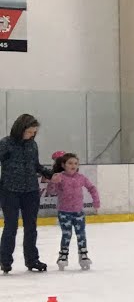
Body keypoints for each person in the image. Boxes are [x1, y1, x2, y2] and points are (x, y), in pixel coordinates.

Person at [2, 114, 51, 274]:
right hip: (10, 191)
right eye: (29, 131)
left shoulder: (32, 145)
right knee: (11, 226)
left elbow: (36, 165)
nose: (32, 135)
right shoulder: (5, 144)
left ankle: (32, 260)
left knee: (31, 226)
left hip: (31, 191)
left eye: (34, 132)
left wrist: (49, 174)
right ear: (20, 129)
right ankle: (5, 260)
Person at [45, 151, 98, 271]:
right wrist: (53, 182)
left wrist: (96, 201)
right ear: (63, 165)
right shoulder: (60, 177)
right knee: (67, 234)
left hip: (78, 212)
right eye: (70, 163)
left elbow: (92, 188)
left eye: (75, 163)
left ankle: (83, 254)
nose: (73, 165)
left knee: (81, 234)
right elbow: (51, 191)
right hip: (64, 212)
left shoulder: (81, 178)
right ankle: (63, 256)